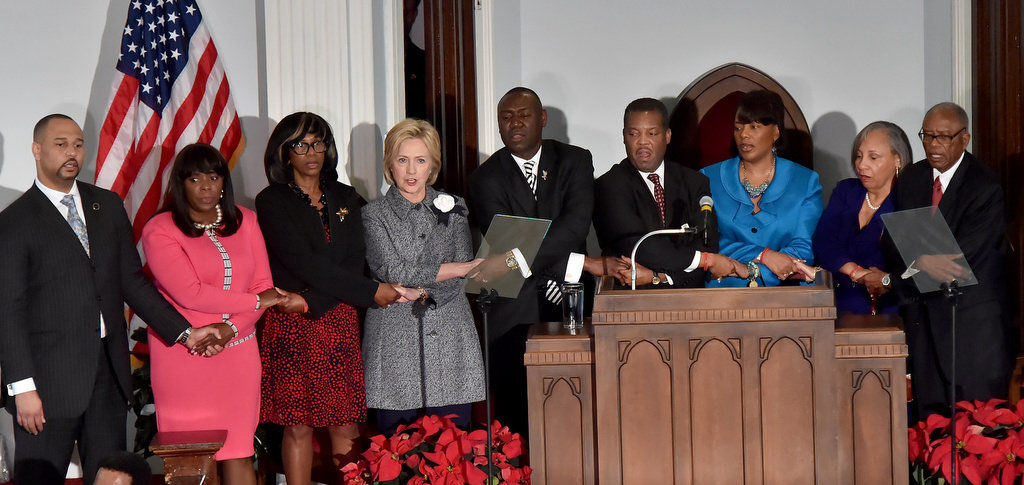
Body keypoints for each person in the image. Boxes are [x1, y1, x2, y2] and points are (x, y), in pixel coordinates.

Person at [0, 114, 226, 485]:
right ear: (37, 150)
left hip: (108, 376)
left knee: (112, 480)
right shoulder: (13, 223)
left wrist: (187, 333)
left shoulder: (106, 205)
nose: (71, 153)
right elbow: (8, 311)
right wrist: (23, 388)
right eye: (60, 144)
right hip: (46, 385)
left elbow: (133, 284)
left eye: (77, 144)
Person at [256, 112, 403, 482]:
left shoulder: (345, 196)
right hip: (293, 327)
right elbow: (303, 263)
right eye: (300, 144)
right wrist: (369, 293)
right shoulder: (271, 200)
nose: (311, 152)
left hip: (336, 320)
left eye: (318, 143)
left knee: (345, 425)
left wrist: (311, 301)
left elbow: (355, 259)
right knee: (298, 427)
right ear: (284, 152)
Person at [141, 144, 301, 484]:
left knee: (240, 452)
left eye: (213, 177)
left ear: (223, 182)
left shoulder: (246, 220)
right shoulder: (160, 228)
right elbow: (190, 293)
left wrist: (230, 328)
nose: (205, 187)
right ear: (180, 184)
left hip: (239, 353)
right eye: (195, 179)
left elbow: (263, 282)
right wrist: (258, 302)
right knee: (191, 458)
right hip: (184, 353)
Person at [467, 87, 614, 438]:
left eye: (524, 114)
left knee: (578, 413)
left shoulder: (575, 160)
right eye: (506, 117)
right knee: (517, 421)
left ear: (542, 119)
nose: (515, 122)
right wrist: (583, 262)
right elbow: (509, 242)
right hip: (513, 312)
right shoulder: (483, 179)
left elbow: (576, 225)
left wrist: (565, 264)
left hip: (572, 303)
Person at [888, 102, 1012, 417]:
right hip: (924, 327)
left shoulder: (984, 187)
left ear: (964, 138)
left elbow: (958, 259)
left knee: (973, 428)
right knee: (929, 429)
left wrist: (919, 257)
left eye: (943, 137)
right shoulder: (912, 179)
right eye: (927, 136)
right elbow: (893, 242)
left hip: (970, 331)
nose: (933, 145)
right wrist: (922, 261)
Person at [362, 119, 485, 434]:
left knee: (456, 450)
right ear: (391, 163)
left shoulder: (455, 207)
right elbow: (391, 271)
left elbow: (459, 278)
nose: (411, 171)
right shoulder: (372, 214)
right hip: (394, 341)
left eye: (420, 160)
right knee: (396, 453)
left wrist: (422, 291)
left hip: (450, 336)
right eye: (403, 160)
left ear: (432, 166)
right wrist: (456, 268)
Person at [594, 98, 748, 287]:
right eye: (634, 134)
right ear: (624, 136)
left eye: (652, 133)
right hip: (629, 301)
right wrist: (707, 260)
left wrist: (657, 277)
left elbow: (707, 245)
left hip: (689, 301)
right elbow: (640, 247)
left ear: (667, 136)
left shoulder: (694, 182)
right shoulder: (609, 186)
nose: (642, 142)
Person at [701, 90, 823, 287]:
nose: (744, 135)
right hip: (721, 291)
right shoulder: (707, 177)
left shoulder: (805, 181)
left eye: (754, 126)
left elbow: (803, 249)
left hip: (784, 293)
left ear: (775, 132)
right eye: (738, 128)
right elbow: (705, 241)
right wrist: (763, 255)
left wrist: (753, 270)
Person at [813, 122, 911, 315]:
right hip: (835, 305)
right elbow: (823, 242)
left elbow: (918, 269)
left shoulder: (908, 203)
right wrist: (856, 273)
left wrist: (885, 280)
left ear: (897, 160)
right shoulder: (846, 191)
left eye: (873, 157)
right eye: (859, 156)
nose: (861, 164)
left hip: (887, 311)